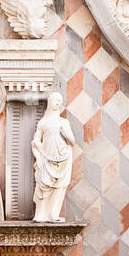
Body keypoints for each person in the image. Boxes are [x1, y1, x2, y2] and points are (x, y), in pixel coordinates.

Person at [32, 93, 76, 223]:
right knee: (43, 185)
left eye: (59, 100)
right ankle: (40, 214)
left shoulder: (64, 122)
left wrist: (66, 134)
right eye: (55, 100)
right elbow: (36, 140)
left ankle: (53, 214)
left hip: (63, 157)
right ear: (49, 102)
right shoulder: (43, 122)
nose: (57, 102)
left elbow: (72, 141)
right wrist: (38, 156)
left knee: (59, 186)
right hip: (46, 158)